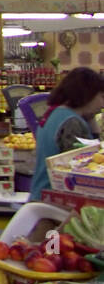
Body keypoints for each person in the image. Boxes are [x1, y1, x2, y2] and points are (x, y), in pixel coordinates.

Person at [29, 67, 104, 201]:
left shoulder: (54, 113)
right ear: (88, 94)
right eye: (101, 97)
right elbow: (85, 168)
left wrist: (91, 119)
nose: (102, 103)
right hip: (56, 201)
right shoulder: (73, 122)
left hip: (39, 194)